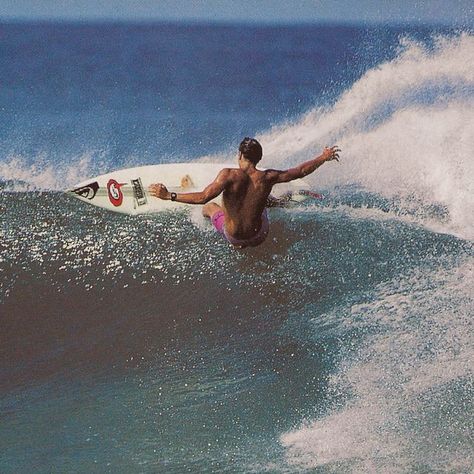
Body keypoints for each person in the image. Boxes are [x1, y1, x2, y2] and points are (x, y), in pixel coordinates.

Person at [149, 137, 340, 248]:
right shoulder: (267, 177)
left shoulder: (228, 176)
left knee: (210, 206)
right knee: (262, 198)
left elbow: (203, 197)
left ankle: (236, 231)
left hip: (234, 237)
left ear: (240, 155)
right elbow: (299, 172)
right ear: (258, 159)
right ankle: (279, 203)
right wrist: (323, 157)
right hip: (260, 235)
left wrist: (169, 196)